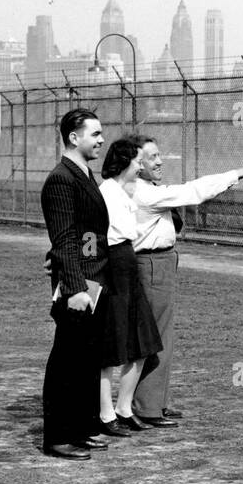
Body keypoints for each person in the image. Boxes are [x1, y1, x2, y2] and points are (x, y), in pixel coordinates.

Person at [123, 135, 243, 425]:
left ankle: (155, 402)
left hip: (160, 262)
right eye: (152, 157)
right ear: (137, 164)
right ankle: (148, 408)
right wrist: (238, 173)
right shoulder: (143, 193)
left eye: (158, 154)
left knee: (161, 336)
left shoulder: (143, 189)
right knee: (156, 337)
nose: (160, 161)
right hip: (151, 264)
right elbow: (194, 191)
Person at [41, 109, 112, 460]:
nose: (101, 140)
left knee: (86, 360)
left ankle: (82, 429)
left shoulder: (83, 174)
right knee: (67, 362)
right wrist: (75, 289)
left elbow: (82, 234)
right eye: (95, 134)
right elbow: (66, 238)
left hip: (94, 281)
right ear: (73, 137)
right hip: (79, 287)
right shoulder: (61, 179)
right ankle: (58, 436)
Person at [95, 137, 166, 436]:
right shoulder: (106, 193)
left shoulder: (127, 192)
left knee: (142, 342)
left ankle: (124, 408)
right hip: (112, 264)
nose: (141, 166)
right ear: (124, 162)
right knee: (110, 347)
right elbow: (94, 238)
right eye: (137, 161)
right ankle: (105, 414)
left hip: (127, 262)